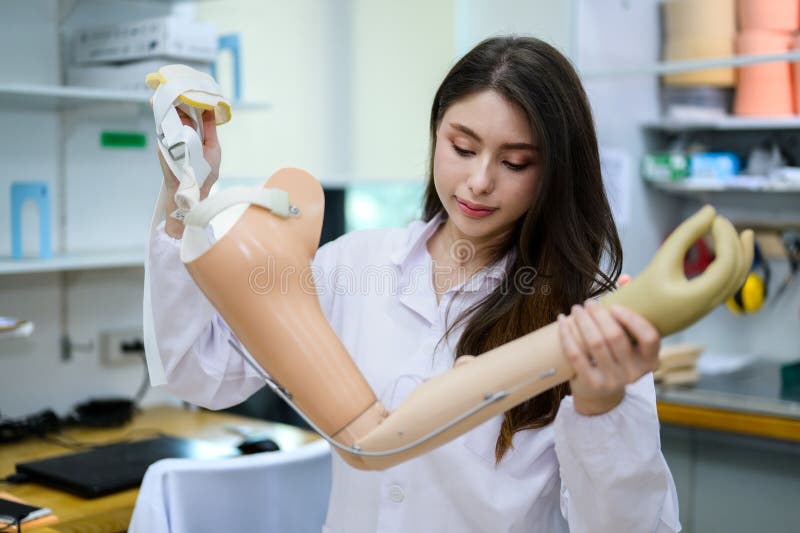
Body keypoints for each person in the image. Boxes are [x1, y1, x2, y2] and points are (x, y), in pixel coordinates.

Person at [147, 36, 680, 532]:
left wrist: (600, 405)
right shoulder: (351, 267)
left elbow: (630, 526)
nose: (479, 181)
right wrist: (184, 192)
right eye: (463, 148)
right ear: (435, 135)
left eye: (515, 162)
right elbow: (201, 374)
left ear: (554, 173)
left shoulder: (585, 322)